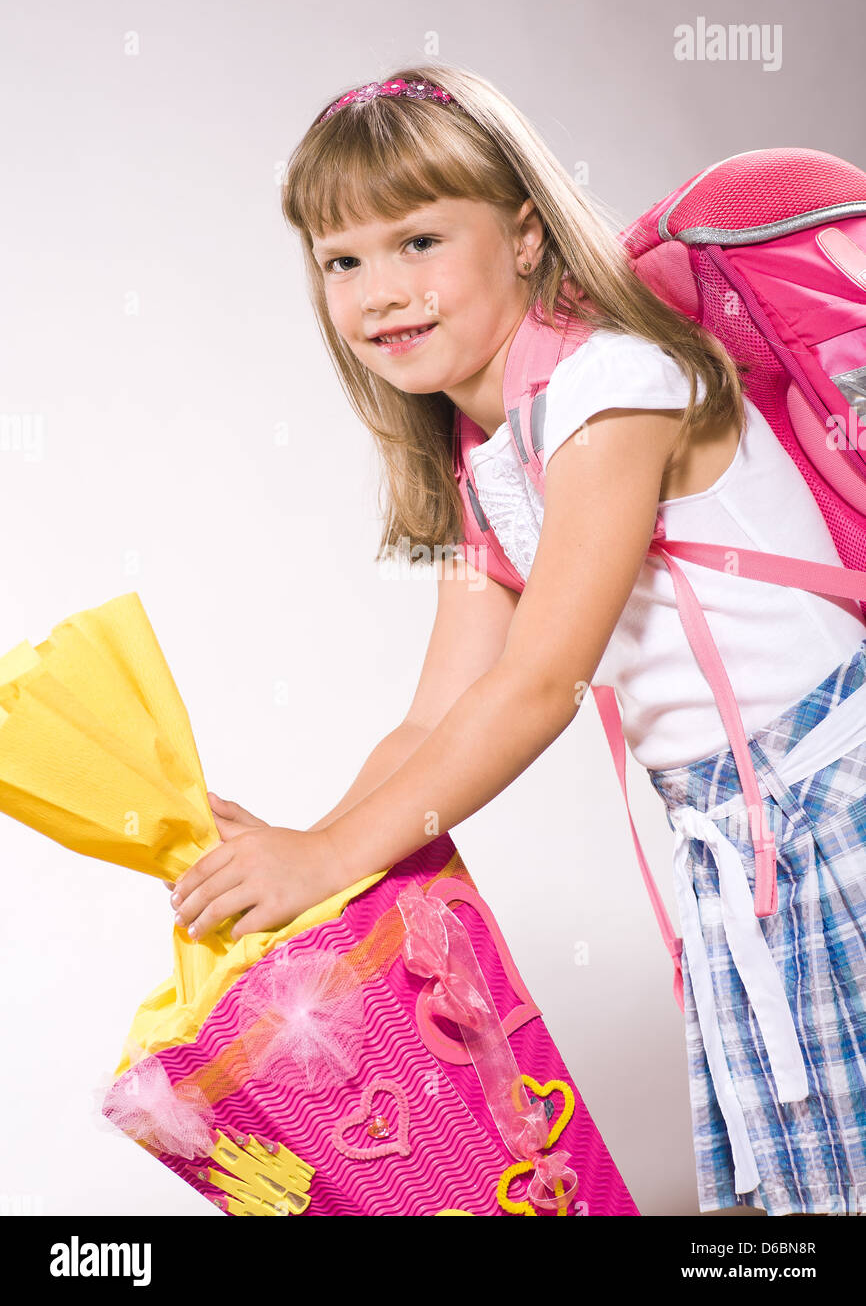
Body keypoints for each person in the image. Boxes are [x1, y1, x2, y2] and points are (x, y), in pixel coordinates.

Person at [168, 64, 866, 1217]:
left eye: (419, 241)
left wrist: (328, 852)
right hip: (740, 843)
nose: (378, 291)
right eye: (341, 260)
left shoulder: (610, 388)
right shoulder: (485, 454)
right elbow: (435, 714)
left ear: (528, 236)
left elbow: (540, 682)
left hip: (833, 802)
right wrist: (305, 868)